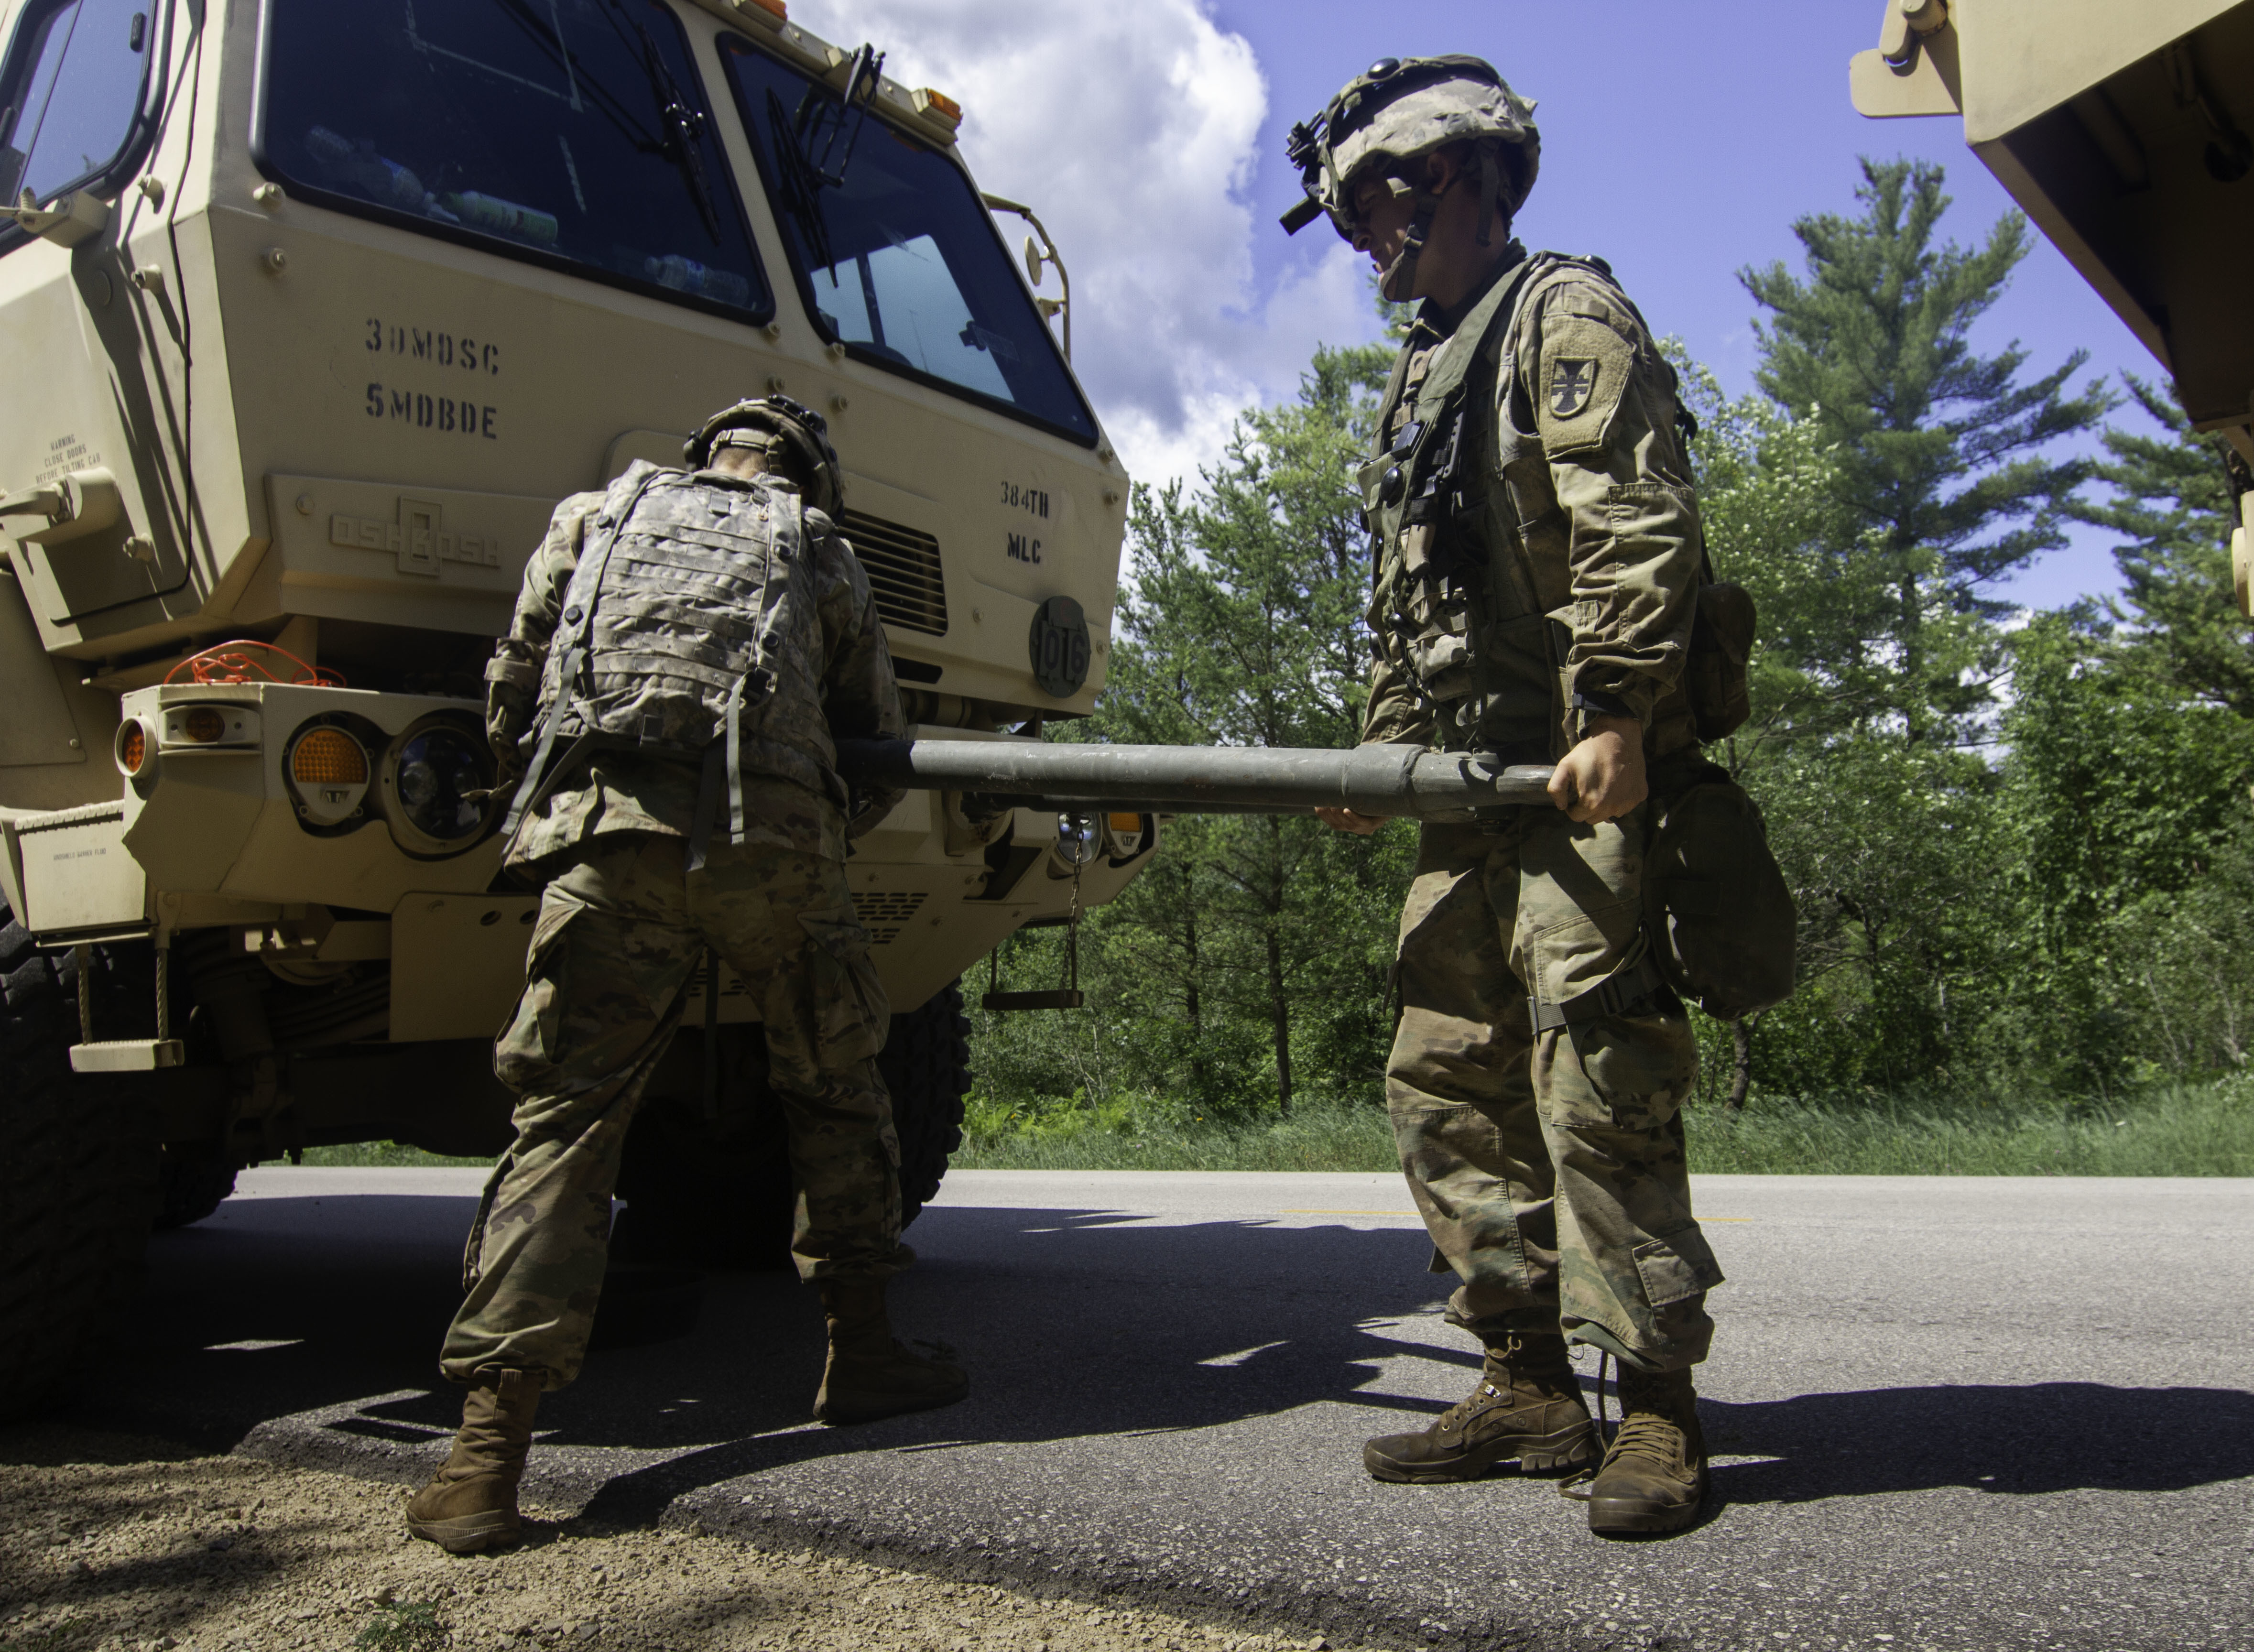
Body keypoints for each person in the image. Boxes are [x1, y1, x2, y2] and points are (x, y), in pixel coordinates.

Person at [404, 396, 967, 1556]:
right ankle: (862, 1352)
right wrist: (809, 828)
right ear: (805, 474)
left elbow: (515, 687)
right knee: (837, 1086)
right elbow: (873, 729)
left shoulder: (592, 516)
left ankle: (484, 1461)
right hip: (776, 849)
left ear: (710, 452)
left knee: (565, 1125)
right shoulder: (815, 542)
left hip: (611, 839)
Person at [1284, 56, 1721, 1535]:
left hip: (1575, 779)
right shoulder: (1425, 364)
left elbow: (1637, 525)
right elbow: (1413, 604)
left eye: (1372, 204)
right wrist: (1378, 754)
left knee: (1595, 1085)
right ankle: (1525, 1381)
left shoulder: (1559, 314)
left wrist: (1616, 712)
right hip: (1467, 794)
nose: (1361, 239)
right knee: (1443, 1079)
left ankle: (1654, 1404)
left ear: (1453, 179)